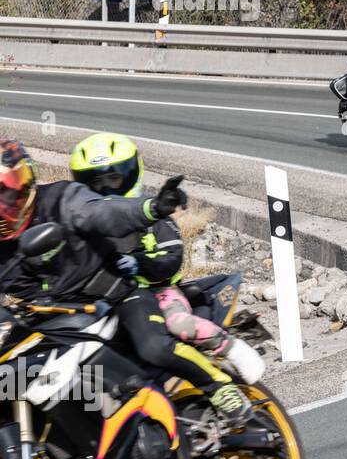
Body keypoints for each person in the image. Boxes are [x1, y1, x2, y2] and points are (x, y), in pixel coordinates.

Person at [11, 133, 249, 423]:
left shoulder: (63, 200)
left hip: (119, 294)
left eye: (6, 194)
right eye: (94, 182)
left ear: (23, 183)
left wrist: (152, 208)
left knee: (153, 345)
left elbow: (104, 212)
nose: (103, 188)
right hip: (58, 316)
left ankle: (218, 385)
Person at [70, 133, 233, 360]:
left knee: (178, 324)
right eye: (96, 183)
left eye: (113, 179)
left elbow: (172, 259)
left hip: (159, 294)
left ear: (130, 175)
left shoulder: (153, 215)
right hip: (104, 300)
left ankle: (229, 348)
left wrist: (139, 264)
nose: (106, 189)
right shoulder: (83, 223)